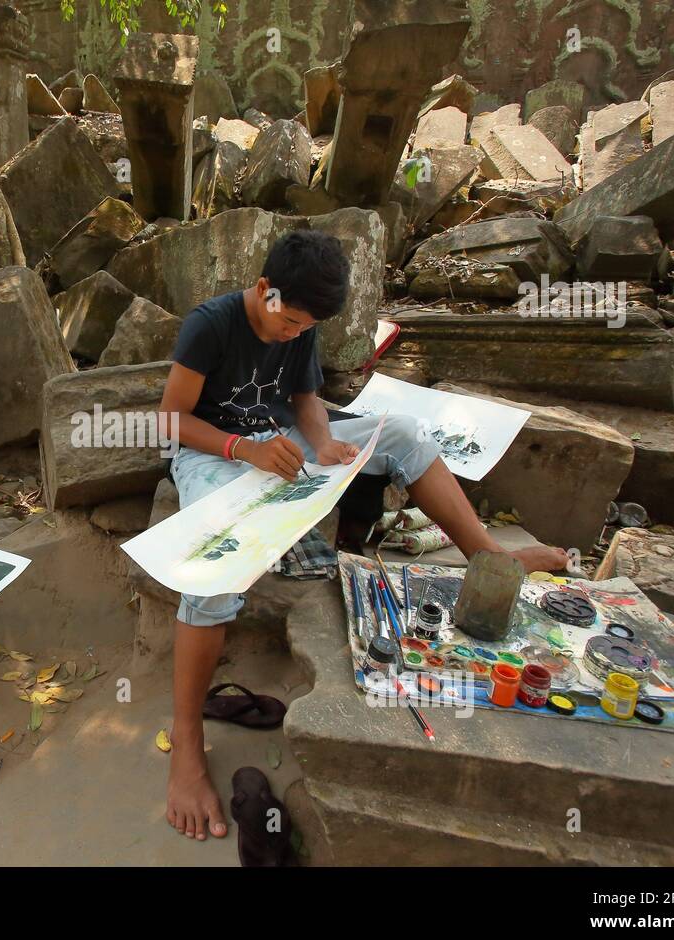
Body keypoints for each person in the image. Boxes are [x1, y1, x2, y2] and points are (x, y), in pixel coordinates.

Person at [157, 230, 568, 842]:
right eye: (290, 320)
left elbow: (304, 398)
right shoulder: (210, 325)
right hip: (212, 455)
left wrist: (322, 442)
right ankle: (186, 744)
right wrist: (243, 447)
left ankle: (488, 558)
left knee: (401, 432)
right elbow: (169, 420)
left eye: (306, 326)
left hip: (282, 444)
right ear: (266, 291)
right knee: (219, 560)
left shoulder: (300, 327)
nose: (295, 332)